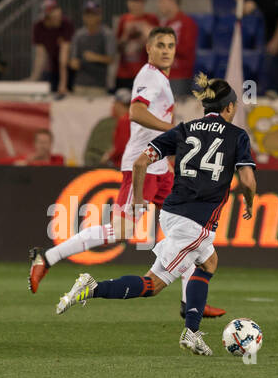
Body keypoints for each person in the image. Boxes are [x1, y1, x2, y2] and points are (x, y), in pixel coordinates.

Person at [29, 28, 226, 321]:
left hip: (159, 167)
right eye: (160, 45)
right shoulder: (149, 77)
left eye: (171, 45)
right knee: (121, 230)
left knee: (186, 229)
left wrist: (170, 155)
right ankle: (48, 257)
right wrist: (174, 132)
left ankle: (191, 302)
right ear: (148, 48)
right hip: (141, 166)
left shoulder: (160, 79)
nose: (166, 50)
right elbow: (135, 112)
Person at [53, 74, 257, 357]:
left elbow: (140, 162)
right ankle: (92, 287)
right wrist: (248, 202)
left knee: (209, 261)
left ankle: (193, 332)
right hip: (194, 222)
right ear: (231, 108)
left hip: (172, 212)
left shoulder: (185, 129)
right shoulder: (238, 136)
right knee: (153, 285)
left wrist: (137, 200)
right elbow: (247, 181)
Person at [155, 0, 198, 97]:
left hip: (179, 76)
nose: (159, 5)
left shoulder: (186, 22)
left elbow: (186, 50)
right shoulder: (164, 24)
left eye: (162, 1)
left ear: (172, 2)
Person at [114, 0, 157, 92]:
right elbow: (117, 48)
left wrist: (145, 32)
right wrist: (125, 35)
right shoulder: (124, 20)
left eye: (138, 1)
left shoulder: (151, 19)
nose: (135, 4)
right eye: (132, 0)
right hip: (124, 74)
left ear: (144, 2)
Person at [68, 0, 115, 94]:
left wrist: (95, 57)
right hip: (80, 84)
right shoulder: (78, 35)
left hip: (99, 86)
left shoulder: (107, 34)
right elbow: (73, 59)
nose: (90, 17)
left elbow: (111, 59)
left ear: (99, 16)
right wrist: (73, 63)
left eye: (93, 14)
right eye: (87, 14)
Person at [29, 0, 73, 94]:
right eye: (52, 17)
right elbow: (40, 56)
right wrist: (33, 79)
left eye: (58, 16)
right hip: (52, 67)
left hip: (69, 68)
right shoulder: (38, 26)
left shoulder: (66, 24)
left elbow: (63, 57)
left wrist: (63, 84)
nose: (57, 19)